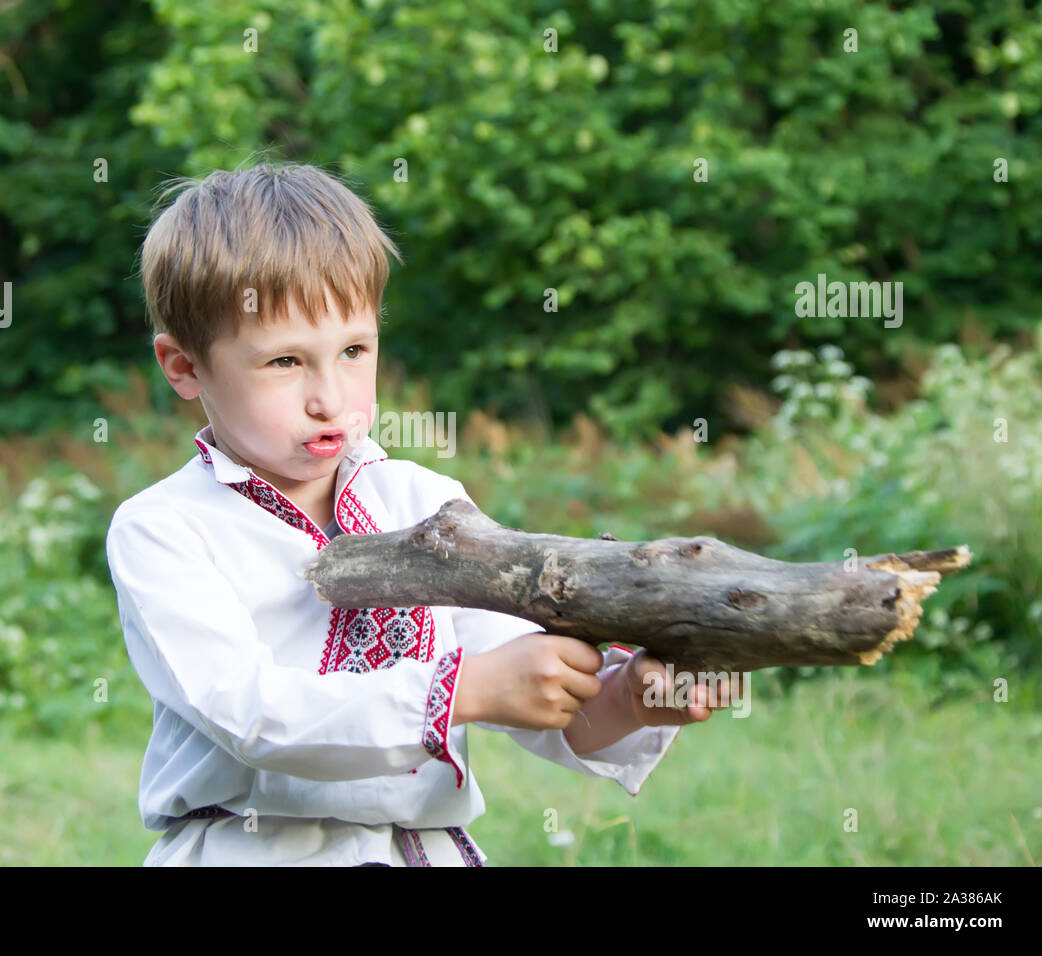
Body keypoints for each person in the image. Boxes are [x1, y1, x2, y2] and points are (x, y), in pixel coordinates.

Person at [106, 160, 731, 866]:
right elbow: (252, 715)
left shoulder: (424, 504)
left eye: (353, 350)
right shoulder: (164, 528)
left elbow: (527, 691)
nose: (329, 398)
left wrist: (629, 699)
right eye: (284, 362)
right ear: (183, 366)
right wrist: (459, 690)